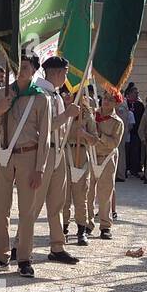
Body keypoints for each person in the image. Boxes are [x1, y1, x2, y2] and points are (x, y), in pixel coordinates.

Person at [0, 53, 51, 277]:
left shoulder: (41, 98)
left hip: (28, 155)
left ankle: (24, 258)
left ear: (34, 70)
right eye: (18, 66)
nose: (21, 70)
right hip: (4, 155)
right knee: (0, 208)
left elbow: (44, 136)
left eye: (26, 66)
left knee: (26, 211)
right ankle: (1, 255)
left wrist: (40, 168)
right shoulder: (1, 94)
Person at [35, 56, 81, 264]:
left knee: (57, 203)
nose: (66, 76)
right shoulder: (39, 94)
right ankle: (20, 244)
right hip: (43, 152)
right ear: (54, 72)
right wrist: (66, 115)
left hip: (59, 151)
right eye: (64, 71)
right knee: (33, 204)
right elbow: (42, 128)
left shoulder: (57, 96)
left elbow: (60, 128)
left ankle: (57, 246)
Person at [64, 91, 99, 247]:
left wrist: (84, 134)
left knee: (80, 196)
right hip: (64, 154)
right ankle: (62, 228)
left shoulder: (87, 116)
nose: (68, 96)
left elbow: (94, 140)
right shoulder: (62, 112)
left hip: (81, 156)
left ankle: (81, 230)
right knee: (63, 196)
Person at [90, 91, 124, 245]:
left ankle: (105, 226)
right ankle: (86, 224)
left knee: (105, 192)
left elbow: (113, 143)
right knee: (87, 192)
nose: (106, 102)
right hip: (90, 155)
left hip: (107, 158)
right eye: (105, 98)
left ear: (116, 103)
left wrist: (99, 135)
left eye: (111, 100)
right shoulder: (92, 116)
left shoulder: (117, 122)